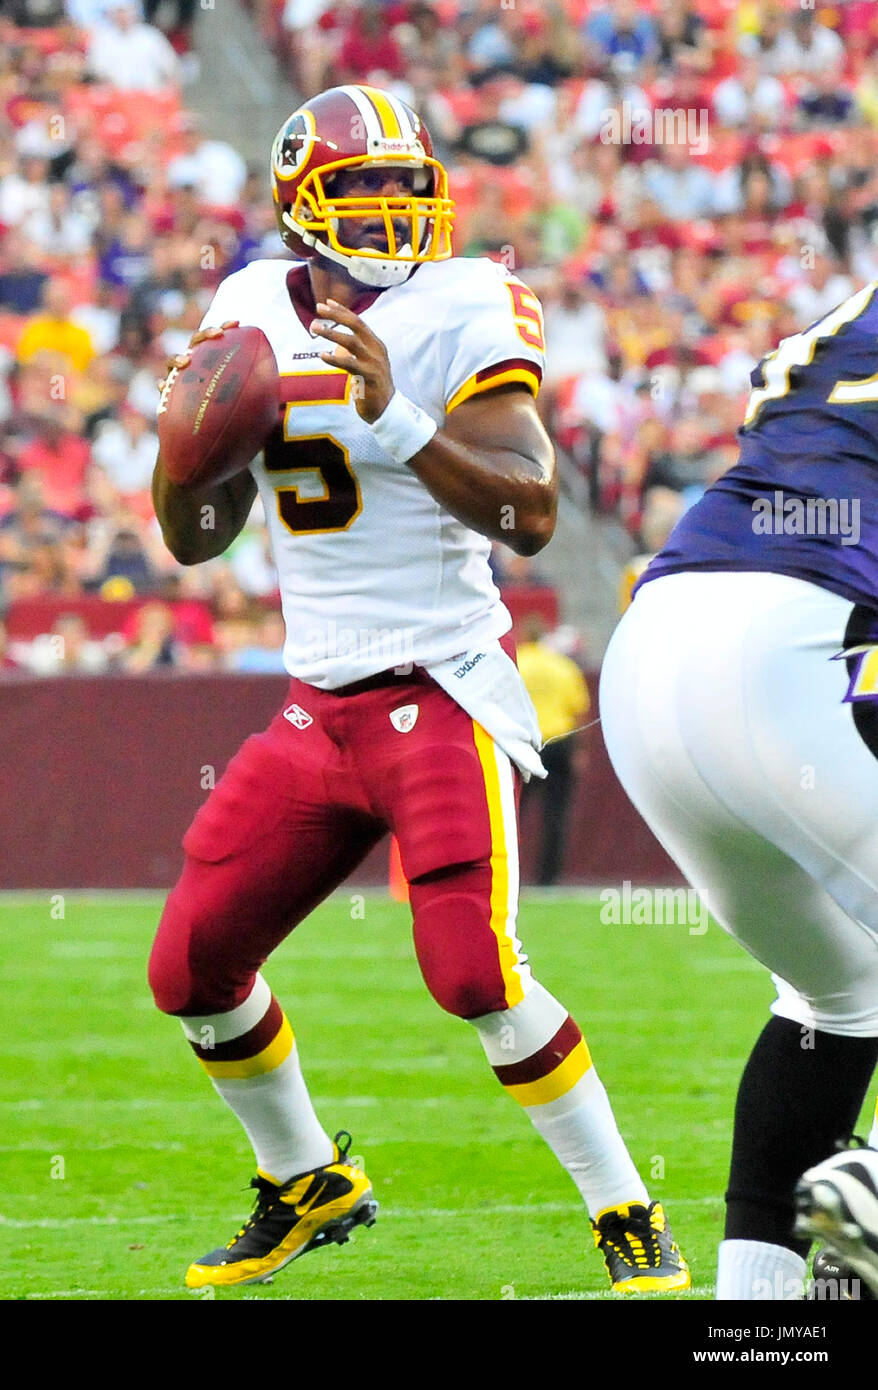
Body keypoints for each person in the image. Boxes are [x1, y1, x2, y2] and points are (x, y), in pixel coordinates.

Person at [147, 85, 688, 1293]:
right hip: (314, 701)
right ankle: (304, 1181)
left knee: (474, 972)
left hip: (438, 687)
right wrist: (184, 457)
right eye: (362, 190)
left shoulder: (467, 302)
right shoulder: (245, 304)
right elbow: (197, 535)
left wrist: (392, 406)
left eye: (406, 185)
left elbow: (528, 511)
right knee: (190, 965)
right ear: (299, 205)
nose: (392, 210)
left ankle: (627, 1211)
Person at [599, 281, 878, 1300]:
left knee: (837, 996)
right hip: (786, 646)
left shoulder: (853, 314)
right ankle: (868, 1194)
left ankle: (756, 1319)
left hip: (657, 639)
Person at [516, 615, 590, 885]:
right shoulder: (562, 665)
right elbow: (579, 709)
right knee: (555, 814)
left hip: (524, 744)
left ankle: (509, 873)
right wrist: (579, 750)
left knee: (513, 814)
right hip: (559, 742)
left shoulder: (515, 663)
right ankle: (548, 879)